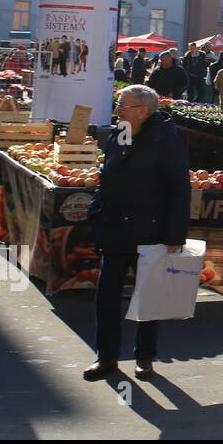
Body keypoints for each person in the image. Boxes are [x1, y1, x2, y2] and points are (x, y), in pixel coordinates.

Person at [83, 85, 189, 381]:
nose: (117, 109)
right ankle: (106, 357)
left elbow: (179, 188)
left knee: (148, 298)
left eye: (123, 105)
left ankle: (145, 357)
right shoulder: (121, 132)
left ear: (142, 111)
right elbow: (107, 174)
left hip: (149, 229)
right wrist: (97, 211)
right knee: (106, 296)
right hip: (115, 226)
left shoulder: (165, 139)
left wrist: (174, 236)